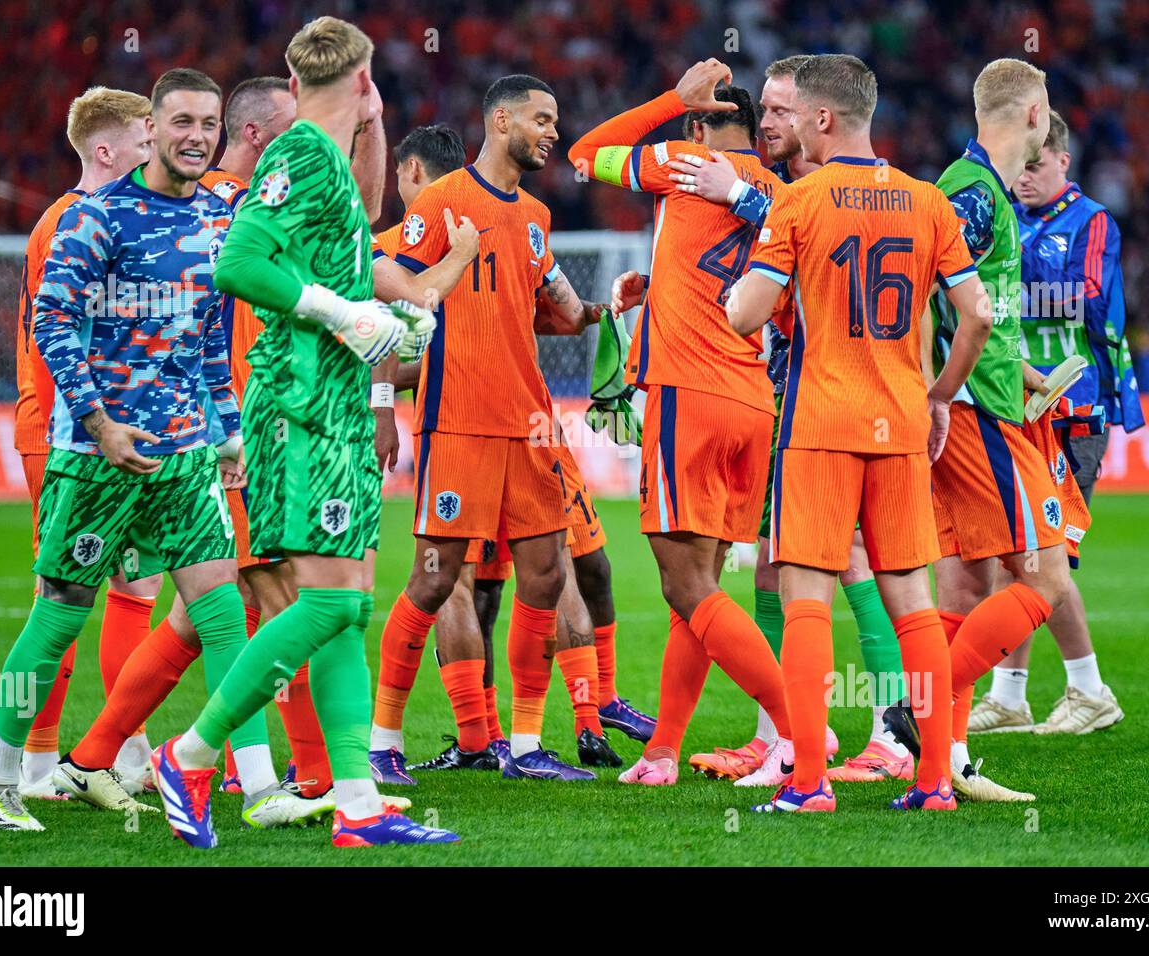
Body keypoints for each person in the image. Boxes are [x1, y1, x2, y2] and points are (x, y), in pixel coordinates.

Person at [154, 18, 465, 850]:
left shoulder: (324, 161)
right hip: (298, 408)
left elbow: (342, 263)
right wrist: (340, 313)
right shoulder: (298, 155)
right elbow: (241, 262)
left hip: (331, 402)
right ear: (366, 84)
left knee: (349, 609)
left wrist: (392, 321)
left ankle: (358, 804)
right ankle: (188, 754)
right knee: (330, 600)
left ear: (296, 85)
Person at [52, 77, 348, 829]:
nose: (306, 146)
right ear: (256, 140)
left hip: (230, 436)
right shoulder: (206, 205)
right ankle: (310, 773)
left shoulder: (244, 211)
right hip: (195, 433)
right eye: (290, 134)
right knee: (277, 597)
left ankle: (95, 756)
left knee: (215, 612)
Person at [0, 68, 251, 833]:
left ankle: (255, 789)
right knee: (60, 613)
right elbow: (51, 327)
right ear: (151, 131)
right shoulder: (93, 218)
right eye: (182, 122)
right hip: (97, 455)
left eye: (209, 124)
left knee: (222, 609)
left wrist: (227, 434)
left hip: (185, 454)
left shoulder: (216, 226)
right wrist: (97, 423)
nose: (197, 137)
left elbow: (210, 342)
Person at [725, 52, 992, 813]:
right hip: (904, 420)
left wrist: (744, 296)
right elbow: (976, 313)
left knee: (806, 593)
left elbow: (746, 313)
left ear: (822, 118)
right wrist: (939, 394)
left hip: (819, 420)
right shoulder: (926, 201)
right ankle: (935, 779)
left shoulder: (801, 203)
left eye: (795, 111)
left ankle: (808, 783)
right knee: (912, 598)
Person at [657, 52, 915, 785]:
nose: (765, 123)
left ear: (817, 115)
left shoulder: (815, 192)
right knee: (774, 562)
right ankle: (778, 738)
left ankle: (892, 733)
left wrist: (738, 190)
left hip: (836, 403)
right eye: (763, 110)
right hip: (789, 395)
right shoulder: (803, 187)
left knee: (851, 561)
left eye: (777, 111)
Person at [370, 73, 610, 784]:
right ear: (499, 119)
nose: (552, 131)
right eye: (541, 118)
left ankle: (529, 747)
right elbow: (385, 274)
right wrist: (385, 396)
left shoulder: (536, 214)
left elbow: (553, 308)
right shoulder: (442, 201)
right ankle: (382, 742)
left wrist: (608, 309)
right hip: (461, 421)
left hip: (529, 423)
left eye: (555, 120)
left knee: (545, 572)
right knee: (434, 579)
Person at [569, 60, 794, 788]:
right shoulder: (781, 195)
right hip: (751, 401)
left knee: (685, 586)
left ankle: (796, 735)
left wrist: (670, 97)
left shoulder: (687, 159)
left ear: (700, 124)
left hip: (687, 396)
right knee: (694, 586)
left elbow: (583, 153)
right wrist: (660, 287)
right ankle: (662, 751)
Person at [887, 57, 1070, 803]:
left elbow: (970, 303)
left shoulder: (974, 189)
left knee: (966, 579)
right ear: (1033, 115)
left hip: (980, 400)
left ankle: (946, 763)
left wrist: (1020, 373)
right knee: (1047, 578)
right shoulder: (972, 193)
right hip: (971, 414)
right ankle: (920, 711)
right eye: (1047, 108)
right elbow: (923, 292)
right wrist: (941, 391)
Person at [8, 86, 159, 801]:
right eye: (144, 139)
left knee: (134, 586)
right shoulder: (71, 221)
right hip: (65, 431)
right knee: (62, 594)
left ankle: (126, 750)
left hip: (111, 430)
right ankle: (34, 765)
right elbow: (57, 337)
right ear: (106, 151)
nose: (154, 149)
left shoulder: (110, 217)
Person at [967, 109, 1133, 735]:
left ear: (1063, 161)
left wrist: (1003, 280)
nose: (1026, 178)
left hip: (1073, 406)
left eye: (1037, 166)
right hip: (1017, 404)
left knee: (1046, 551)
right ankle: (1011, 695)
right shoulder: (1004, 219)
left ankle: (1090, 691)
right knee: (1021, 552)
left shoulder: (1091, 221)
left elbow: (1086, 295)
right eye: (1021, 168)